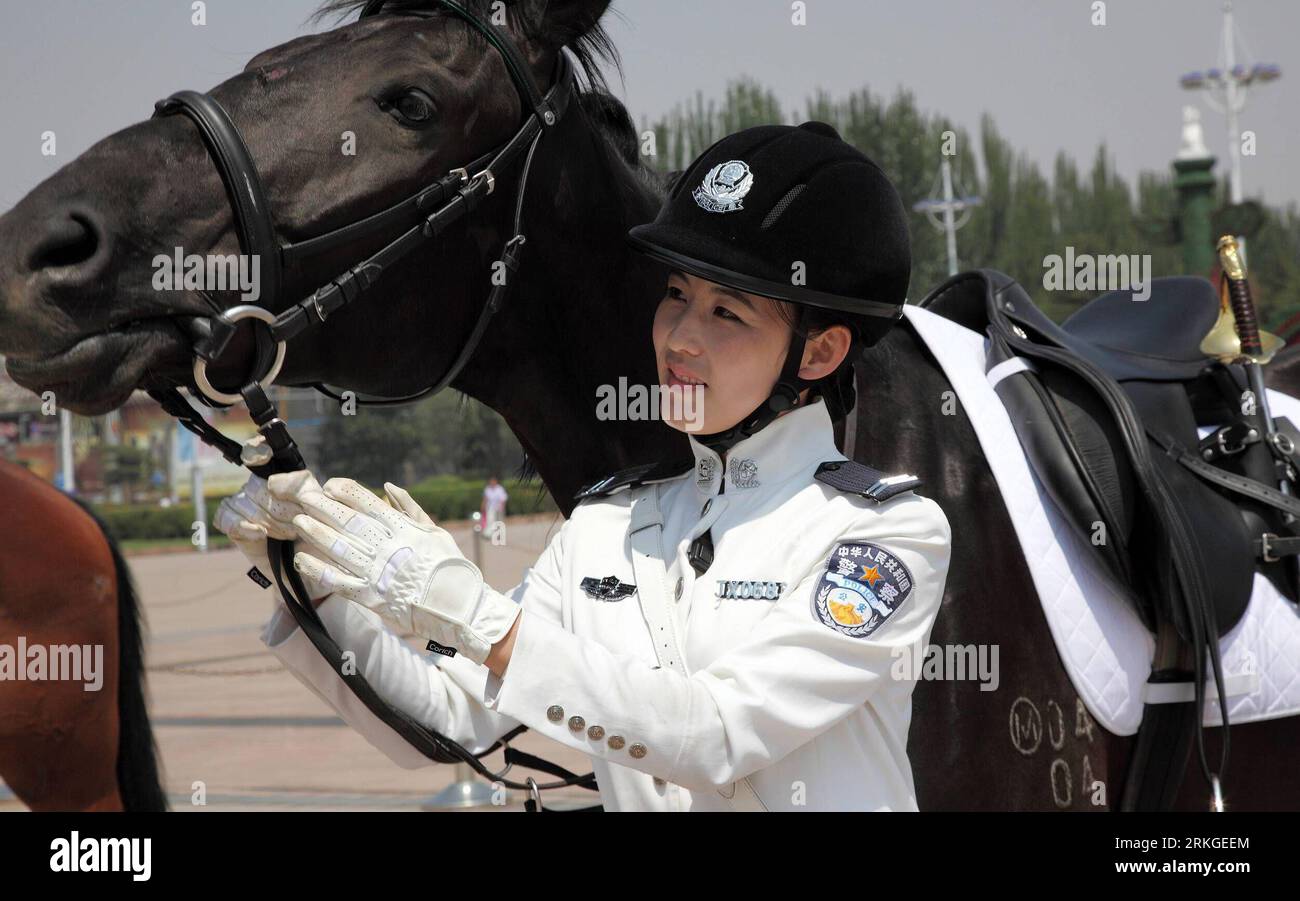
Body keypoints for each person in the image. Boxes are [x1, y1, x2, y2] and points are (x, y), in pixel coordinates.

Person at [215, 122, 951, 811]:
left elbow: (719, 733)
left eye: (727, 314)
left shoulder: (885, 539)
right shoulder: (606, 528)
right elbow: (444, 718)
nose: (679, 338)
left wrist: (471, 611)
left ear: (820, 353)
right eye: (675, 296)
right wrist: (307, 574)